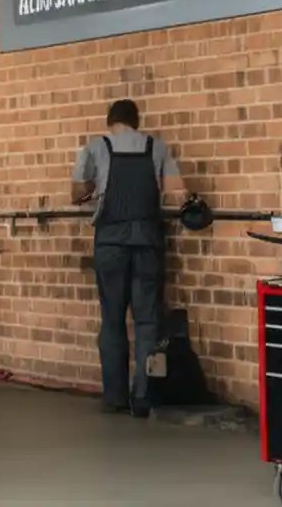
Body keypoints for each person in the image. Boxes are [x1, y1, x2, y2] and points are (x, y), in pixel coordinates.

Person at [71, 99, 186, 418]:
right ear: (136, 121)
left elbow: (76, 193)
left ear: (111, 122)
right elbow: (178, 192)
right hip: (148, 239)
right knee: (148, 319)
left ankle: (115, 396)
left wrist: (93, 192)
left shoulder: (96, 146)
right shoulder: (156, 147)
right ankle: (144, 395)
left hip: (110, 242)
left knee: (112, 318)